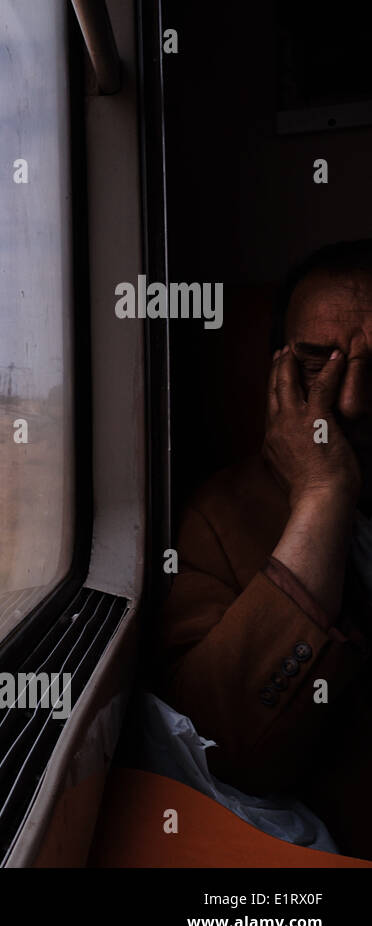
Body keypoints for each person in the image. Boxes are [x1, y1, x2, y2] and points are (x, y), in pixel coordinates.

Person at [159, 240, 372, 860]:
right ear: (278, 375)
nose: (353, 401)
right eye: (316, 364)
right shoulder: (219, 516)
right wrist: (322, 493)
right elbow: (220, 747)